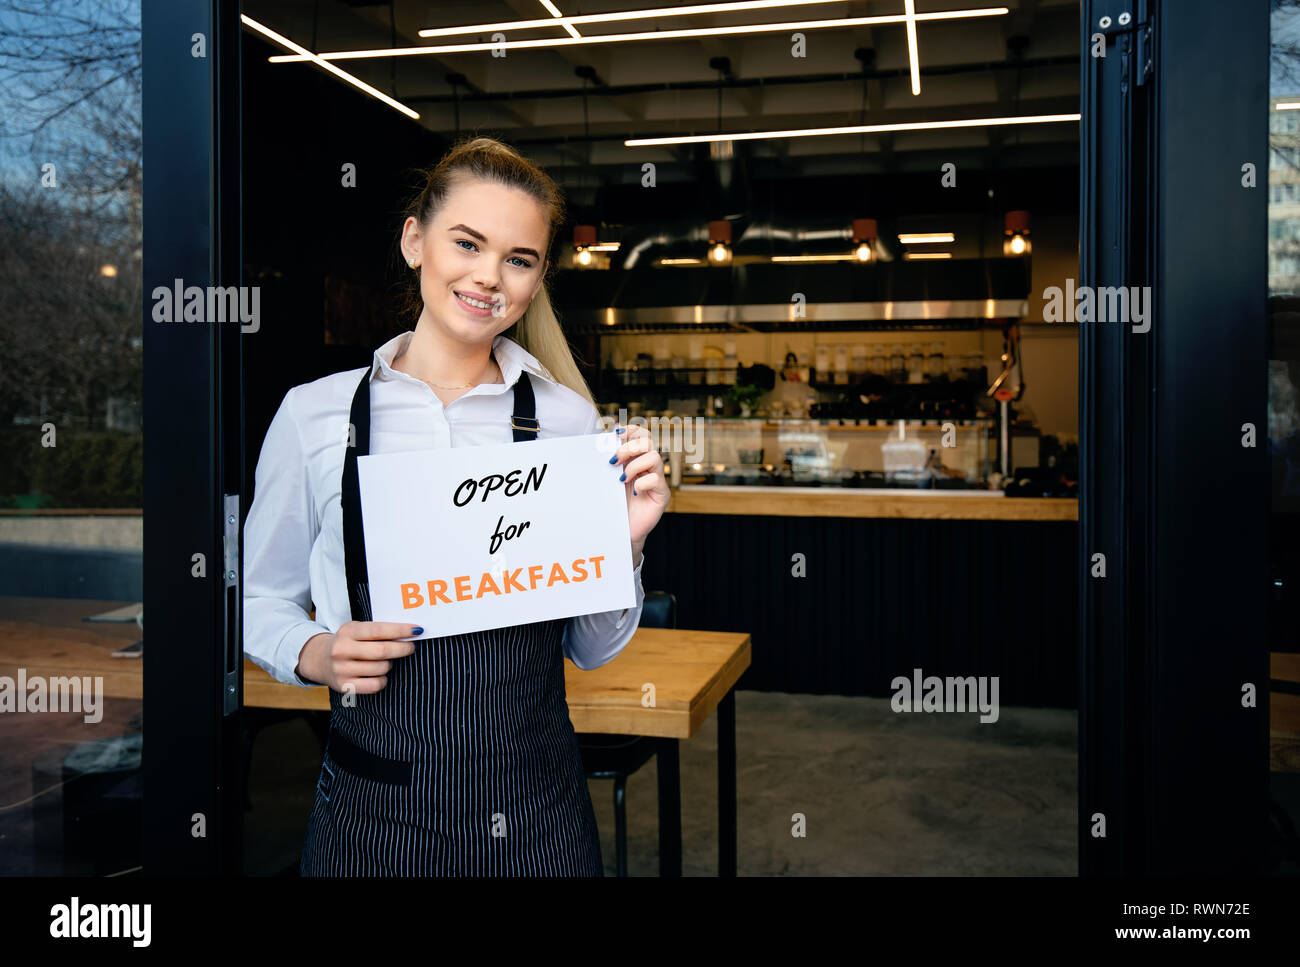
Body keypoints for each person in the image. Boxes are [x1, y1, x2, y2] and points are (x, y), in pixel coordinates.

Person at [242, 136, 668, 876]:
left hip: (540, 813)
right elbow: (255, 597)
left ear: (537, 279)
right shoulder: (315, 416)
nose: (488, 277)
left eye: (519, 258)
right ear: (415, 240)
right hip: (374, 814)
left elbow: (593, 650)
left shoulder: (566, 421)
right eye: (466, 242)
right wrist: (314, 653)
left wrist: (623, 545)